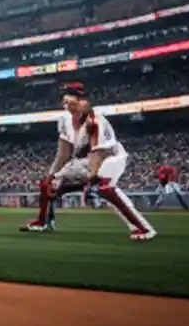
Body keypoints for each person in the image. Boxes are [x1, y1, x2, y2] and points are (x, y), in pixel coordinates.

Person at [20, 82, 156, 240]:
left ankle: (143, 228)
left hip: (110, 158)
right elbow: (64, 152)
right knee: (47, 185)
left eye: (71, 102)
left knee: (104, 188)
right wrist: (51, 175)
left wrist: (91, 179)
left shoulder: (94, 121)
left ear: (82, 102)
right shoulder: (64, 120)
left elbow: (98, 154)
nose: (67, 106)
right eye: (65, 102)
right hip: (84, 159)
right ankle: (43, 222)